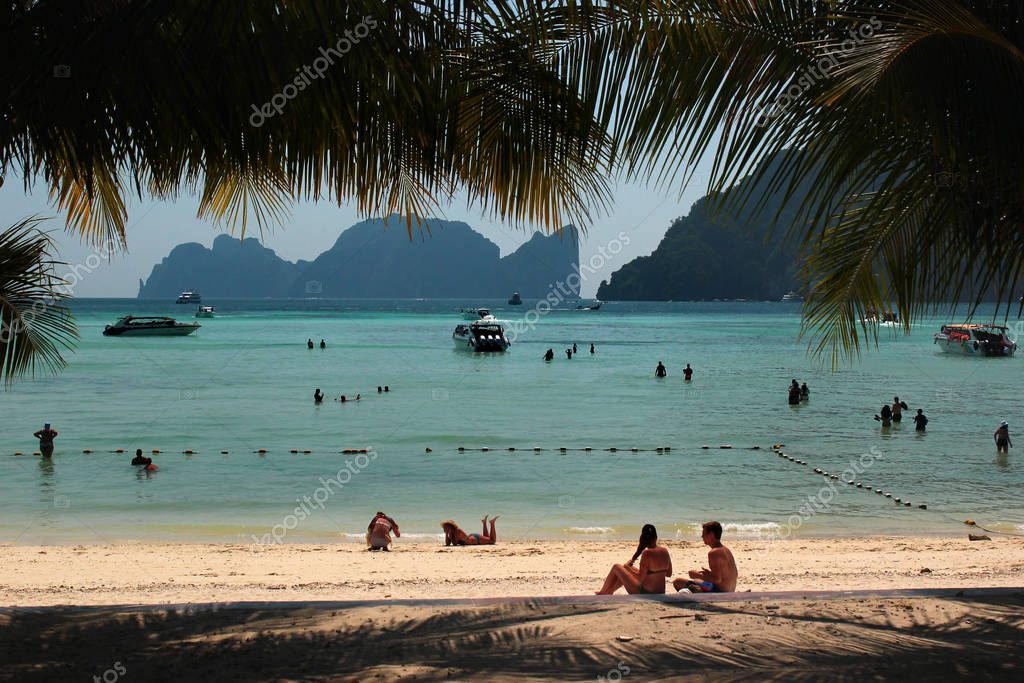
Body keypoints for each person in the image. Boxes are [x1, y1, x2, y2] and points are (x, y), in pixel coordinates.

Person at [596, 523, 672, 595]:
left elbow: (640, 579)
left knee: (616, 567)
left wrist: (628, 567)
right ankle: (610, 591)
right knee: (625, 569)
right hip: (660, 592)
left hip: (645, 593)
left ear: (643, 538)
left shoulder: (647, 553)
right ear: (656, 537)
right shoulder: (665, 551)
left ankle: (602, 592)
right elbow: (669, 574)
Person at [673, 521, 737, 593]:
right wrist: (708, 574)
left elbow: (717, 580)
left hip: (719, 592)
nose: (702, 536)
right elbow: (724, 576)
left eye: (704, 533)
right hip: (730, 590)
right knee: (697, 581)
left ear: (711, 535)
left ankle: (698, 591)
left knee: (678, 582)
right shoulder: (726, 550)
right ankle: (697, 589)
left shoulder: (714, 553)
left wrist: (696, 575)